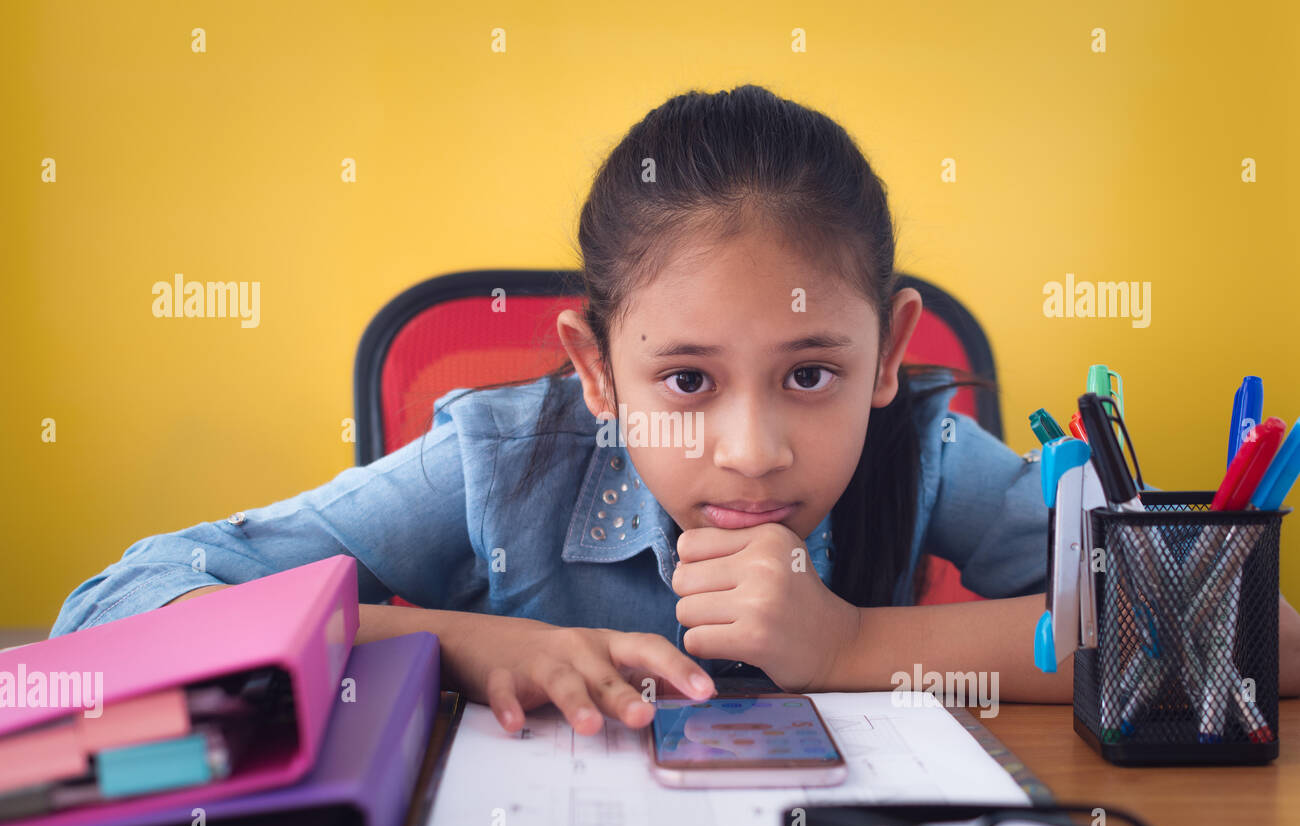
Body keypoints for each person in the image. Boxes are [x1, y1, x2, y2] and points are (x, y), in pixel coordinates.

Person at [50, 84, 1300, 735]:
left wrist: (853, 646)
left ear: (888, 353)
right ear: (596, 371)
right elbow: (110, 613)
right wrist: (449, 639)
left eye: (809, 373)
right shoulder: (497, 462)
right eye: (685, 380)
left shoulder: (921, 451)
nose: (751, 449)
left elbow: (1258, 646)